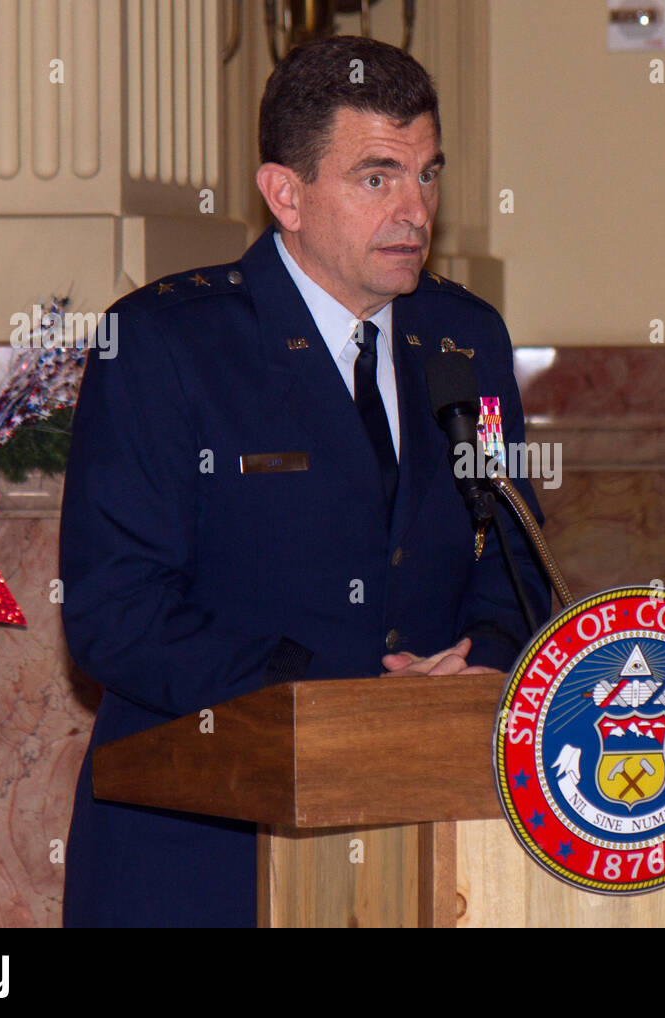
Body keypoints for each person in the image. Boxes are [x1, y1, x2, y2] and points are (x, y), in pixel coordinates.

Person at [59, 36, 550, 927]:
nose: (415, 209)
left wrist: (480, 661)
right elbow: (116, 617)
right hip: (206, 849)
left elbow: (513, 560)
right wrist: (347, 685)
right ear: (285, 193)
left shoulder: (462, 339)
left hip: (420, 838)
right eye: (377, 178)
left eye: (428, 175)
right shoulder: (169, 345)